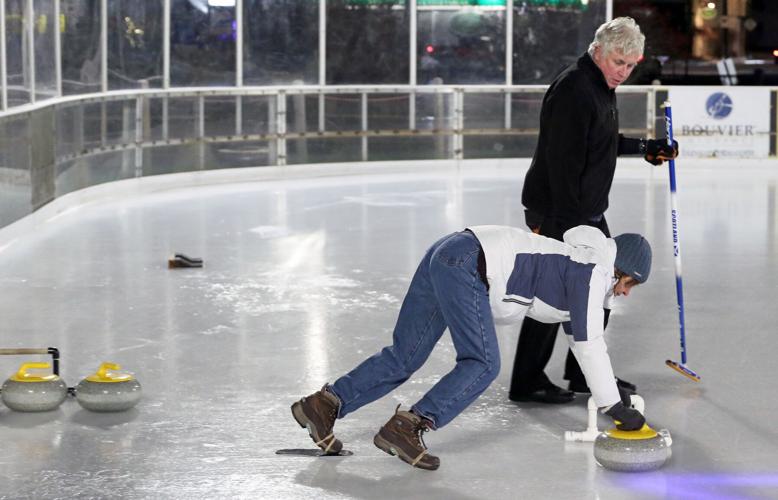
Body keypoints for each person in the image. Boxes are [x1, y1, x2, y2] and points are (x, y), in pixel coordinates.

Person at [291, 224, 651, 470]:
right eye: (629, 283)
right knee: (482, 362)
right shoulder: (591, 271)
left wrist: (610, 397)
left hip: (452, 249)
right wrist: (615, 407)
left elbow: (581, 341)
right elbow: (591, 344)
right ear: (619, 269)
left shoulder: (581, 267)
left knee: (406, 353)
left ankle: (323, 405)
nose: (625, 292)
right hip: (468, 263)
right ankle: (408, 426)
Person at [509, 17, 678, 405]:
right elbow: (562, 162)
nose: (624, 71)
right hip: (560, 212)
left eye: (632, 64)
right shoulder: (574, 89)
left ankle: (583, 373)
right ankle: (528, 381)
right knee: (552, 293)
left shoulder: (600, 85)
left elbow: (600, 141)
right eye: (619, 61)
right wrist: (571, 229)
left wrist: (645, 148)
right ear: (598, 50)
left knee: (598, 288)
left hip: (582, 210)